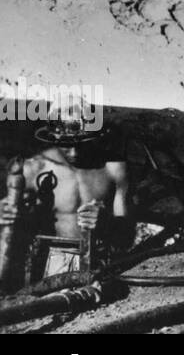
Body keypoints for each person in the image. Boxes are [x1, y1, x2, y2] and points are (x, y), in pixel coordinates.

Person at [0, 114, 131, 288]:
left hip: (102, 261)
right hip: (50, 261)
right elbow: (11, 221)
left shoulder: (113, 167)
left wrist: (105, 220)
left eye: (80, 144)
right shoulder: (34, 168)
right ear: (54, 138)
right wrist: (3, 214)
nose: (74, 153)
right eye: (66, 146)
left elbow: (126, 235)